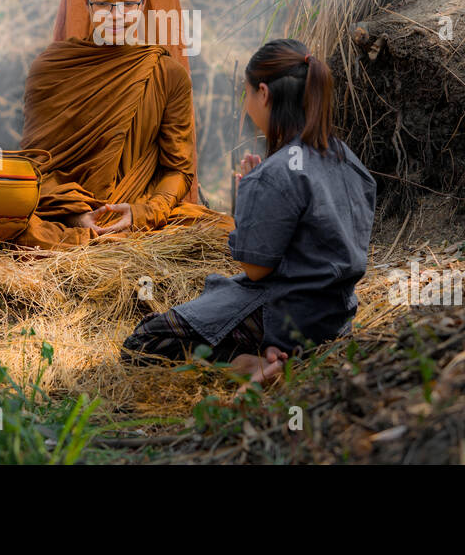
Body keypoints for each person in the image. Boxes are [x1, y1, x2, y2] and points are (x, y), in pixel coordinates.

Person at [121, 38, 377, 385]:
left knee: (142, 343)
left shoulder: (274, 174)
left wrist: (248, 204)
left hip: (282, 316)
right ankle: (284, 354)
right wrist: (261, 189)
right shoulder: (345, 157)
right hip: (332, 318)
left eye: (247, 95)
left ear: (264, 93)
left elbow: (255, 269)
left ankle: (244, 364)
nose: (246, 106)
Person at [8, 0, 228, 251]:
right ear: (86, 2)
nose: (116, 15)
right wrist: (77, 216)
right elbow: (36, 164)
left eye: (127, 3)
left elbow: (178, 169)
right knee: (5, 224)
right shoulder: (52, 68)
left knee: (225, 231)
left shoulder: (166, 73)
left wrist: (143, 213)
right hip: (63, 216)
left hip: (139, 215)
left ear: (144, 2)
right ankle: (85, 235)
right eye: (103, 4)